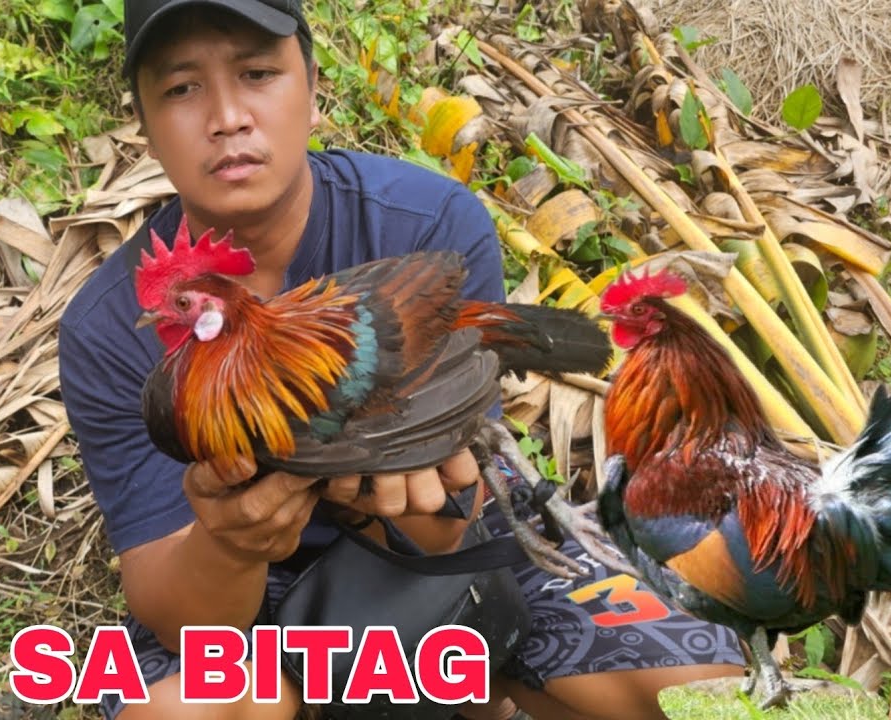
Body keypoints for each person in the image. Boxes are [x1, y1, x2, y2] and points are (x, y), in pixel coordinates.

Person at [57, 1, 746, 718]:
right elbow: (184, 619)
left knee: (701, 695)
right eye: (181, 88)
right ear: (145, 124)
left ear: (314, 87)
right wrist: (232, 545)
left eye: (258, 72)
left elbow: (454, 510)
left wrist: (397, 498)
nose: (228, 116)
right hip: (242, 608)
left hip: (450, 550)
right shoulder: (110, 327)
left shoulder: (426, 226)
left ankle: (473, 689)